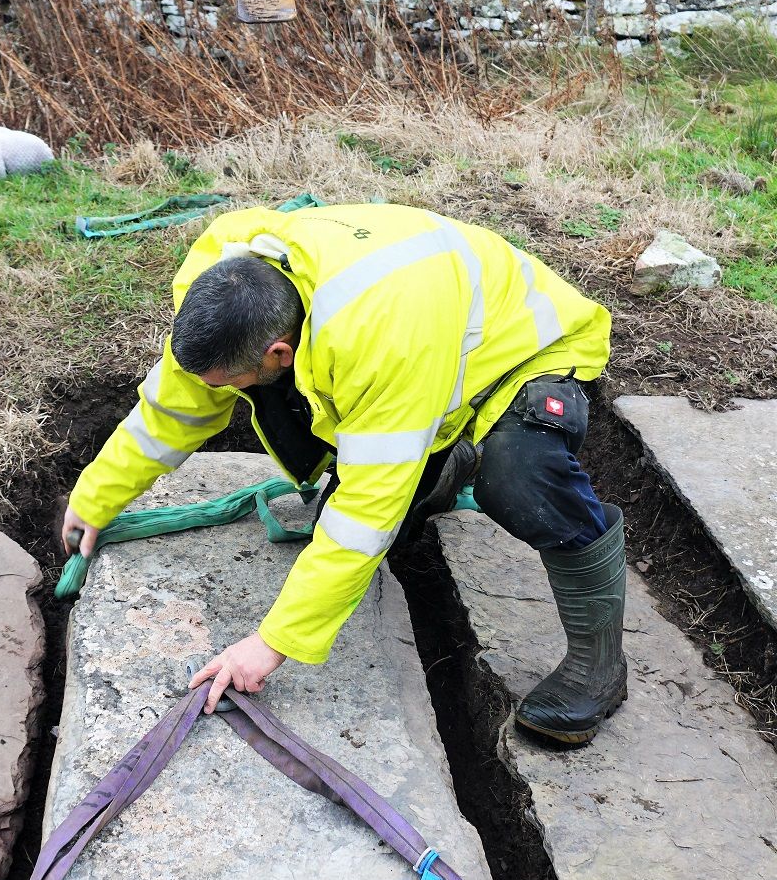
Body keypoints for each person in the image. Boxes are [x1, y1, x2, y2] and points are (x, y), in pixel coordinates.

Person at [62, 202, 625, 745]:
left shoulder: (381, 343)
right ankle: (441, 457)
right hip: (434, 343)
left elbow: (364, 514)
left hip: (524, 350)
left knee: (518, 480)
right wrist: (96, 497)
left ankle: (599, 667)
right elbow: (175, 408)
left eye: (227, 382)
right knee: (312, 434)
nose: (219, 393)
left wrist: (271, 643)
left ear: (280, 349)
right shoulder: (225, 290)